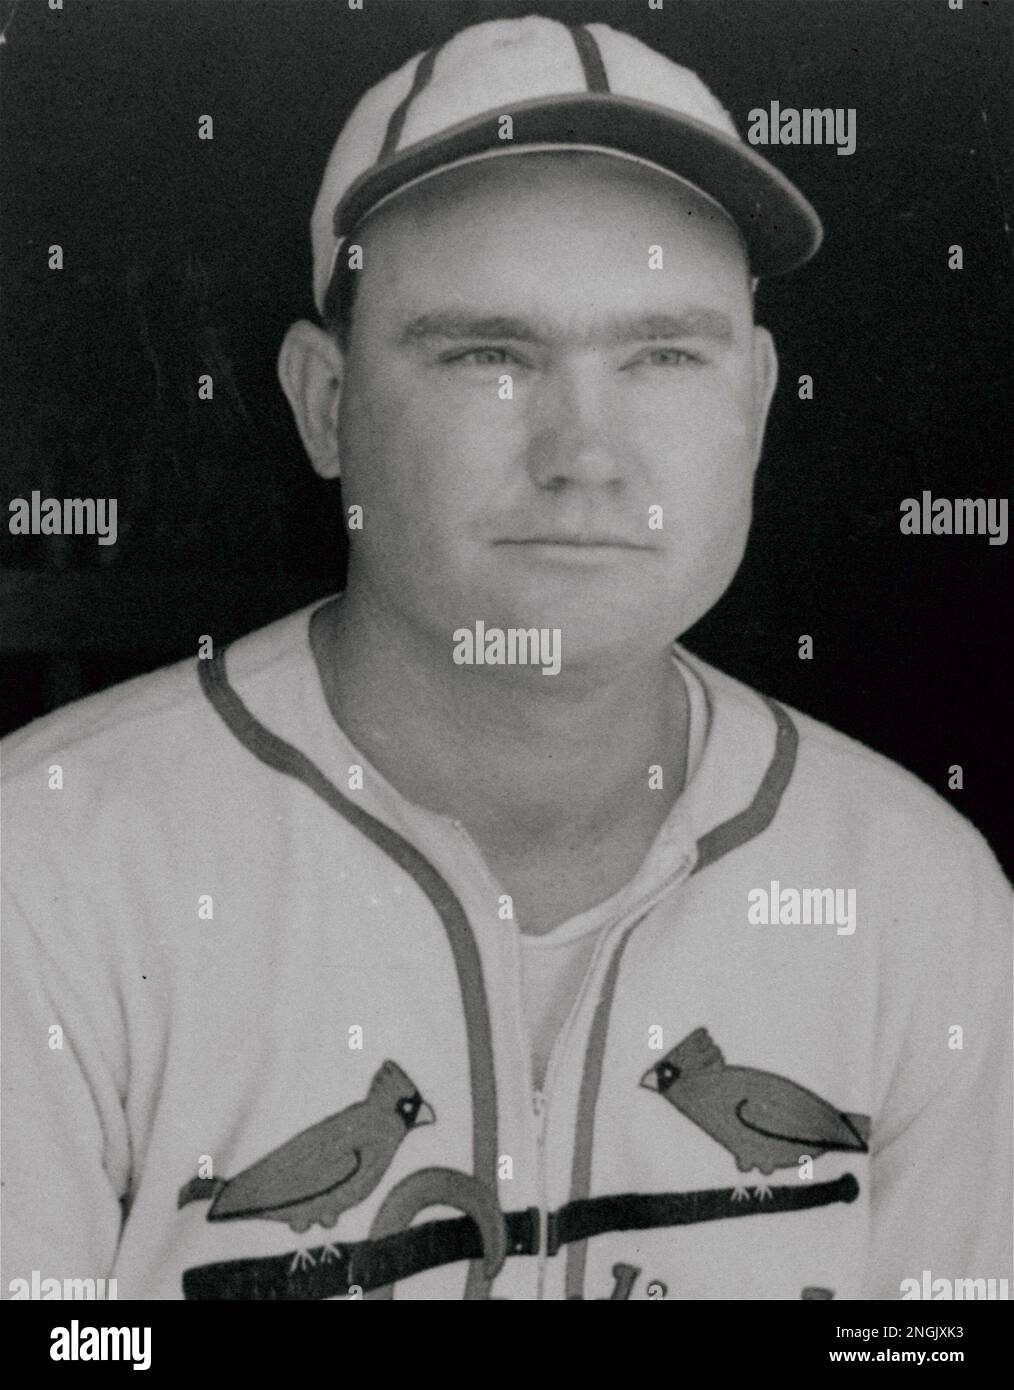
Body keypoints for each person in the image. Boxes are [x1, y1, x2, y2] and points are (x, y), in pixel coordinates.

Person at [2, 15, 1010, 1303]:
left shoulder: (923, 894)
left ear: (754, 406)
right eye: (487, 354)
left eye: (662, 356)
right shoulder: (40, 878)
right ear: (327, 406)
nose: (584, 455)